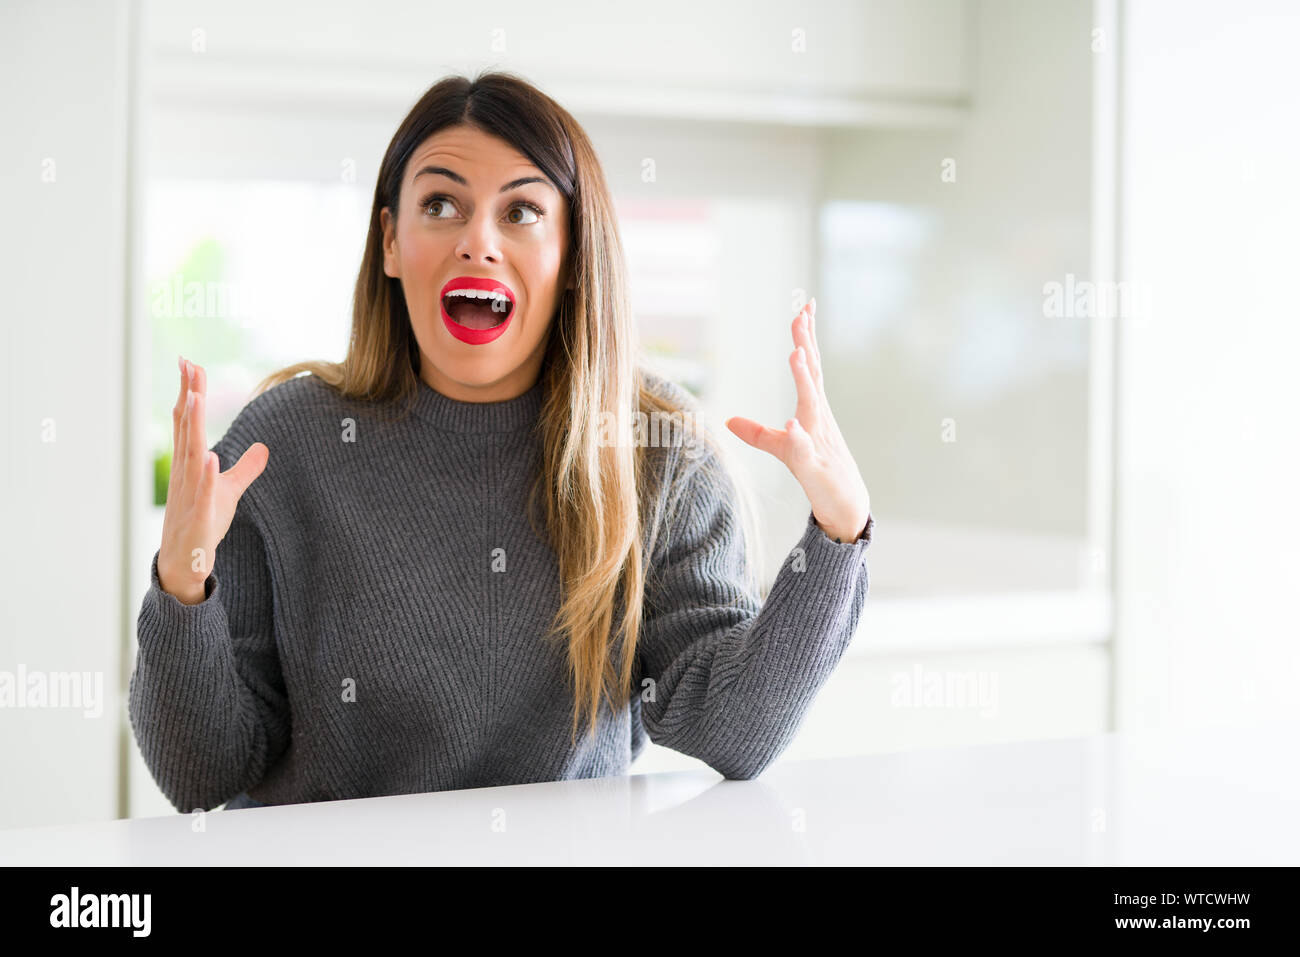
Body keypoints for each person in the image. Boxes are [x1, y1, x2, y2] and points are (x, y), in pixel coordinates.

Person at [128, 70, 874, 814]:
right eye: (441, 205)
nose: (477, 241)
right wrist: (182, 578)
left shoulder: (653, 447)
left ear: (573, 253)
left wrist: (838, 536)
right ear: (391, 240)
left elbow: (731, 731)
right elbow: (202, 775)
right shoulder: (282, 444)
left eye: (520, 211)